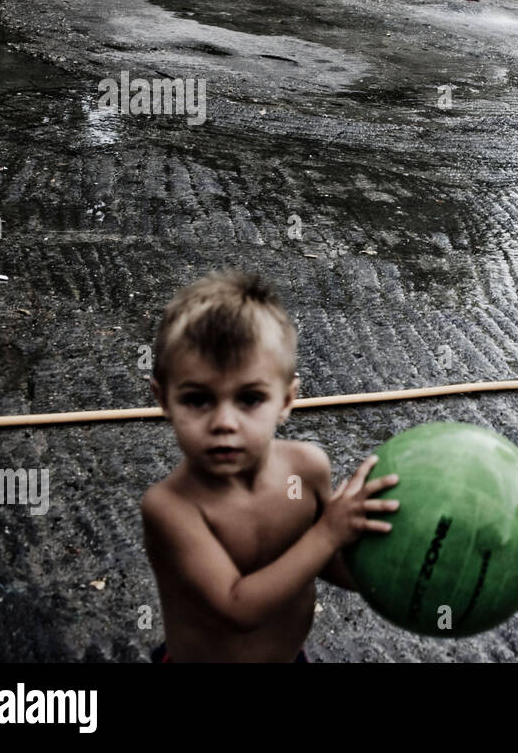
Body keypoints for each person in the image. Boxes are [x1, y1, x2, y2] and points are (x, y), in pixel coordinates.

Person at [141, 270, 399, 662]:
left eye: (249, 399)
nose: (224, 422)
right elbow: (236, 606)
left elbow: (322, 561)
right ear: (163, 400)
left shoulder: (305, 470)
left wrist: (390, 569)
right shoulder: (173, 506)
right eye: (197, 400)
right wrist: (330, 532)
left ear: (286, 399)